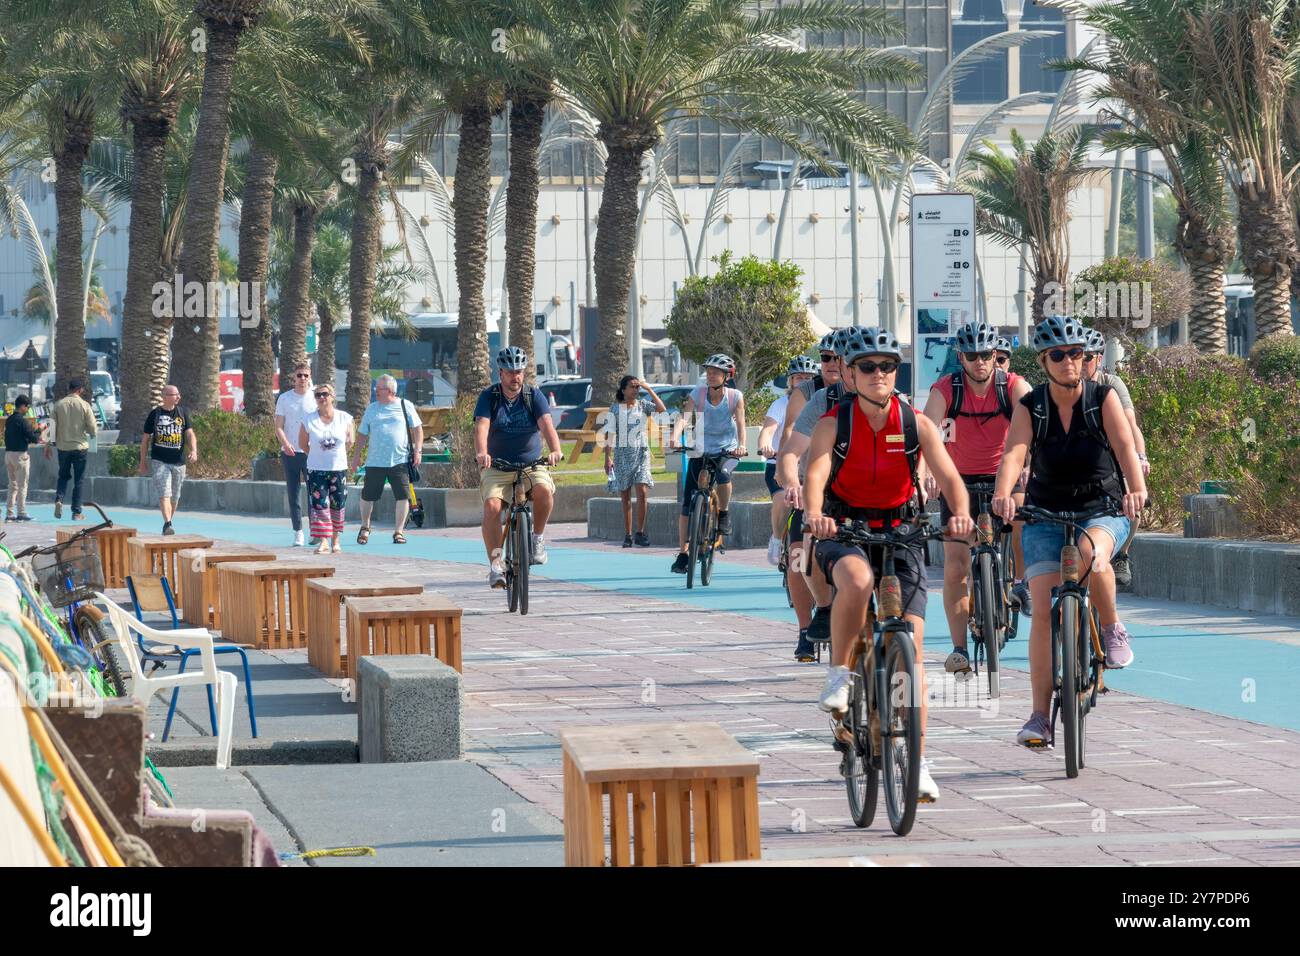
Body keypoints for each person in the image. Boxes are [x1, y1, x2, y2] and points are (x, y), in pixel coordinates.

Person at [804, 325, 974, 804]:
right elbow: (815, 474)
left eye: (887, 366)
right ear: (850, 374)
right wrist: (815, 515)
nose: (878, 374)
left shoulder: (914, 423)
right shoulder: (833, 424)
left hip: (901, 531)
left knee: (912, 652)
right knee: (857, 581)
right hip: (844, 529)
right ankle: (840, 675)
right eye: (867, 367)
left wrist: (960, 514)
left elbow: (949, 477)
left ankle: (915, 762)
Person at [992, 315, 1148, 748]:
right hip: (1045, 511)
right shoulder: (1032, 406)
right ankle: (1040, 717)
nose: (1068, 362)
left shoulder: (1102, 398)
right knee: (1042, 610)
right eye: (1058, 355)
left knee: (1090, 553)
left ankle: (1112, 628)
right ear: (1044, 361)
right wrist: (1003, 494)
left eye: (1076, 354)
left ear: (1085, 358)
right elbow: (1014, 453)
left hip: (1102, 508)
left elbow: (1124, 446)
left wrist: (1137, 489)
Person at [922, 321, 1032, 677]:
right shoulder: (946, 389)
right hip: (959, 483)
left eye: (986, 355)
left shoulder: (1013, 387)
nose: (980, 362)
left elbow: (1037, 428)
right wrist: (927, 473)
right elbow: (926, 434)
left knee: (1022, 516)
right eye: (972, 356)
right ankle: (959, 649)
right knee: (956, 565)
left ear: (995, 355)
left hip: (1005, 477)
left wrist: (1031, 466)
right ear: (961, 358)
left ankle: (1021, 583)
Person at [776, 328, 855, 661]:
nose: (832, 364)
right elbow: (791, 436)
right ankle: (806, 627)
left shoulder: (883, 395)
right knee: (799, 555)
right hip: (813, 487)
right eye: (826, 358)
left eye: (840, 359)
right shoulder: (811, 394)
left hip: (859, 491)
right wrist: (791, 481)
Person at [474, 346, 564, 588]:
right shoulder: (490, 396)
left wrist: (555, 450)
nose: (516, 377)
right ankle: (496, 564)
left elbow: (546, 424)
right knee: (492, 507)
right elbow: (482, 426)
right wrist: (482, 453)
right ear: (501, 373)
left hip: (531, 464)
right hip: (498, 465)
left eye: (519, 372)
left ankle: (537, 539)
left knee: (545, 491)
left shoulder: (533, 396)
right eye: (511, 372)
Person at [1082, 327, 1149, 588]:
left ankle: (1122, 554)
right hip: (1078, 459)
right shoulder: (1062, 388)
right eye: (1075, 355)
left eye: (1087, 357)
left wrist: (1140, 457)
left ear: (1099, 359)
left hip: (1112, 454)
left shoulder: (1111, 384)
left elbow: (1130, 425)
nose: (1080, 363)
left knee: (1132, 497)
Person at [668, 354, 747, 573]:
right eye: (709, 372)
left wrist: (741, 445)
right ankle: (683, 553)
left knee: (723, 475)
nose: (711, 376)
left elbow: (741, 422)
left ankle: (724, 513)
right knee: (687, 503)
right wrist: (674, 436)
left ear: (727, 376)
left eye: (716, 373)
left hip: (727, 448)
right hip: (701, 447)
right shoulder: (699, 393)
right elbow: (685, 417)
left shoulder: (735, 396)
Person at [350, 374, 424, 545]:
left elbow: (418, 429)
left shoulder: (405, 405)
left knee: (403, 496)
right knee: (368, 495)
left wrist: (418, 450)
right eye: (376, 387)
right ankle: (365, 526)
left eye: (379, 388)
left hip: (399, 460)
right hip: (375, 461)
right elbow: (362, 434)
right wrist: (356, 456)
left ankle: (398, 532)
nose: (375, 390)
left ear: (390, 390)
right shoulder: (371, 409)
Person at [761, 355, 818, 565]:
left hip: (810, 466)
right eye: (798, 377)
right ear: (790, 381)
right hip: (779, 462)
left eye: (808, 378)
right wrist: (766, 444)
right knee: (782, 497)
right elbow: (769, 429)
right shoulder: (780, 404)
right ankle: (777, 539)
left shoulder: (820, 402)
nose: (803, 382)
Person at [603, 375, 666, 547]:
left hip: (641, 454)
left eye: (637, 387)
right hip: (622, 455)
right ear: (623, 390)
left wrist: (649, 389)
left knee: (642, 492)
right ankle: (628, 534)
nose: (636, 390)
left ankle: (640, 532)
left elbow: (662, 409)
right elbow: (609, 434)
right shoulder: (615, 409)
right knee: (625, 496)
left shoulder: (643, 405)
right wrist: (607, 457)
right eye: (632, 386)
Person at [298, 383, 355, 554]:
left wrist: (337, 455)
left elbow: (350, 442)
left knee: (338, 503)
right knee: (320, 504)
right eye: (318, 395)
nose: (322, 398)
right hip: (316, 469)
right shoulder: (308, 419)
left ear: (332, 396)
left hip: (338, 468)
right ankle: (323, 541)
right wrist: (316, 456)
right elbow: (302, 444)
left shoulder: (345, 418)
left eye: (325, 394)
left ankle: (336, 541)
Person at [138, 385, 197, 535]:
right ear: (164, 397)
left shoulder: (183, 413)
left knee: (175, 497)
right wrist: (142, 461)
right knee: (164, 493)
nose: (178, 397)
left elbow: (190, 434)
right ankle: (168, 523)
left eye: (178, 394)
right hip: (160, 461)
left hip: (179, 462)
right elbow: (145, 440)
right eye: (174, 394)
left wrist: (194, 450)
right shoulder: (154, 414)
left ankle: (169, 523)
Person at [275, 363, 317, 546]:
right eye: (299, 375)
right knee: (293, 494)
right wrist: (286, 444)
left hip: (311, 453)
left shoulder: (316, 397)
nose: (302, 379)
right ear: (294, 377)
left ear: (310, 376)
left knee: (314, 493)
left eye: (306, 375)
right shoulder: (284, 398)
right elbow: (278, 426)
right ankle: (298, 531)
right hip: (290, 453)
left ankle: (315, 531)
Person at [51, 378, 98, 521]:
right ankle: (76, 512)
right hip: (80, 447)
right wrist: (92, 434)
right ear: (80, 389)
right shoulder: (84, 405)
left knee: (63, 476)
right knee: (79, 480)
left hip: (63, 447)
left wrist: (52, 443)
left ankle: (59, 499)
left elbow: (52, 428)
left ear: (69, 388)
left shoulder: (58, 405)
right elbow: (93, 428)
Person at [4, 395, 44, 521]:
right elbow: (34, 438)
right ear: (22, 406)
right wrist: (39, 430)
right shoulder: (22, 421)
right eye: (27, 406)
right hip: (20, 456)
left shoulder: (9, 420)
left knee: (12, 485)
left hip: (8, 455)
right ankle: (21, 512)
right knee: (22, 485)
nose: (27, 409)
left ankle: (9, 514)